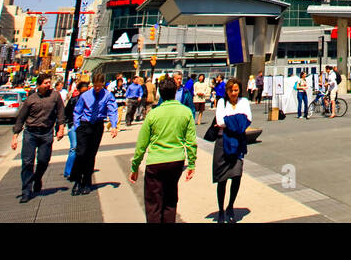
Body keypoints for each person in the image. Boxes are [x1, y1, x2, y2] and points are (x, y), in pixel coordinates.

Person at [129, 77, 197, 223]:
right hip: (176, 161)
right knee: (170, 200)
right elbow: (191, 141)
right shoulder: (185, 113)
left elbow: (141, 144)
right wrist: (191, 163)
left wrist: (135, 166)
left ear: (160, 92)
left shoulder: (153, 114)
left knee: (153, 203)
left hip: (156, 163)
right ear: (175, 92)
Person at [11, 72, 65, 202]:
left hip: (46, 133)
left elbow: (61, 112)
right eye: (46, 83)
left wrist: (61, 128)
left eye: (49, 83)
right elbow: (21, 118)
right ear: (39, 85)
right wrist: (15, 136)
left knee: (43, 160)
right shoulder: (31, 99)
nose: (48, 85)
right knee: (27, 162)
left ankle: (37, 177)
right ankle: (26, 191)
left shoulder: (55, 96)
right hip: (31, 133)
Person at [70, 72, 119, 195]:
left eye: (100, 86)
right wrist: (77, 126)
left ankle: (87, 182)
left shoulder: (107, 96)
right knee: (81, 153)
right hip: (84, 124)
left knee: (91, 155)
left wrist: (114, 126)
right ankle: (77, 180)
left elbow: (112, 110)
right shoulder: (85, 96)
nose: (97, 88)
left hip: (97, 125)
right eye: (95, 85)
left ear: (103, 84)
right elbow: (77, 111)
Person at [213, 77, 252, 222]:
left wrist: (229, 120)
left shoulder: (244, 102)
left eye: (236, 90)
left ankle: (230, 206)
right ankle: (221, 209)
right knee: (222, 178)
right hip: (223, 142)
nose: (233, 93)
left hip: (238, 143)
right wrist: (238, 119)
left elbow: (247, 119)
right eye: (231, 90)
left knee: (236, 175)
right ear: (227, 91)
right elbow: (220, 121)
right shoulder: (222, 102)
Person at [62, 81, 88, 180]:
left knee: (82, 148)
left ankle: (79, 169)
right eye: (83, 91)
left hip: (85, 126)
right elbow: (66, 113)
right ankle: (68, 171)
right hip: (73, 125)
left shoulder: (91, 100)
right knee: (74, 147)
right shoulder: (73, 100)